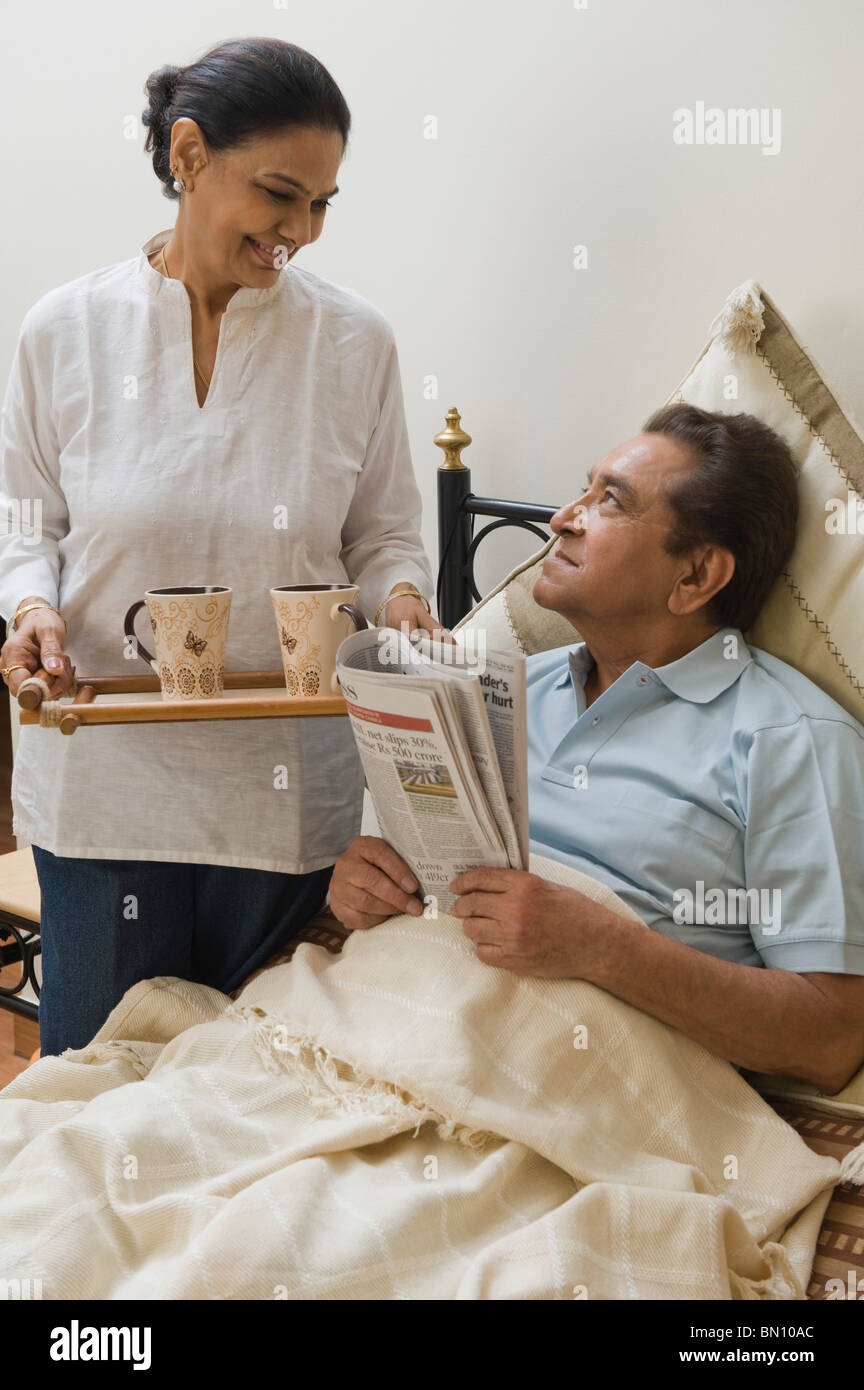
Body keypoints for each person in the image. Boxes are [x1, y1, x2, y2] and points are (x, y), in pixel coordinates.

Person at [0, 38, 437, 1055]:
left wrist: (404, 594)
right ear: (187, 153)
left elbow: (384, 532)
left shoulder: (354, 342)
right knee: (95, 1095)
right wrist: (30, 608)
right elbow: (30, 521)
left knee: (252, 1104)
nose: (300, 231)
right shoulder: (63, 330)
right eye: (281, 194)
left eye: (323, 204)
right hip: (103, 780)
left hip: (283, 797)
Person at [329, 402, 864, 1096]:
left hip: (560, 1084)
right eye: (585, 488)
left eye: (609, 501)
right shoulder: (499, 692)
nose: (561, 518)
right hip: (386, 1026)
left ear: (696, 576)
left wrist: (604, 949)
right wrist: (366, 887)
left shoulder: (792, 743)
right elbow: (417, 886)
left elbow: (830, 1040)